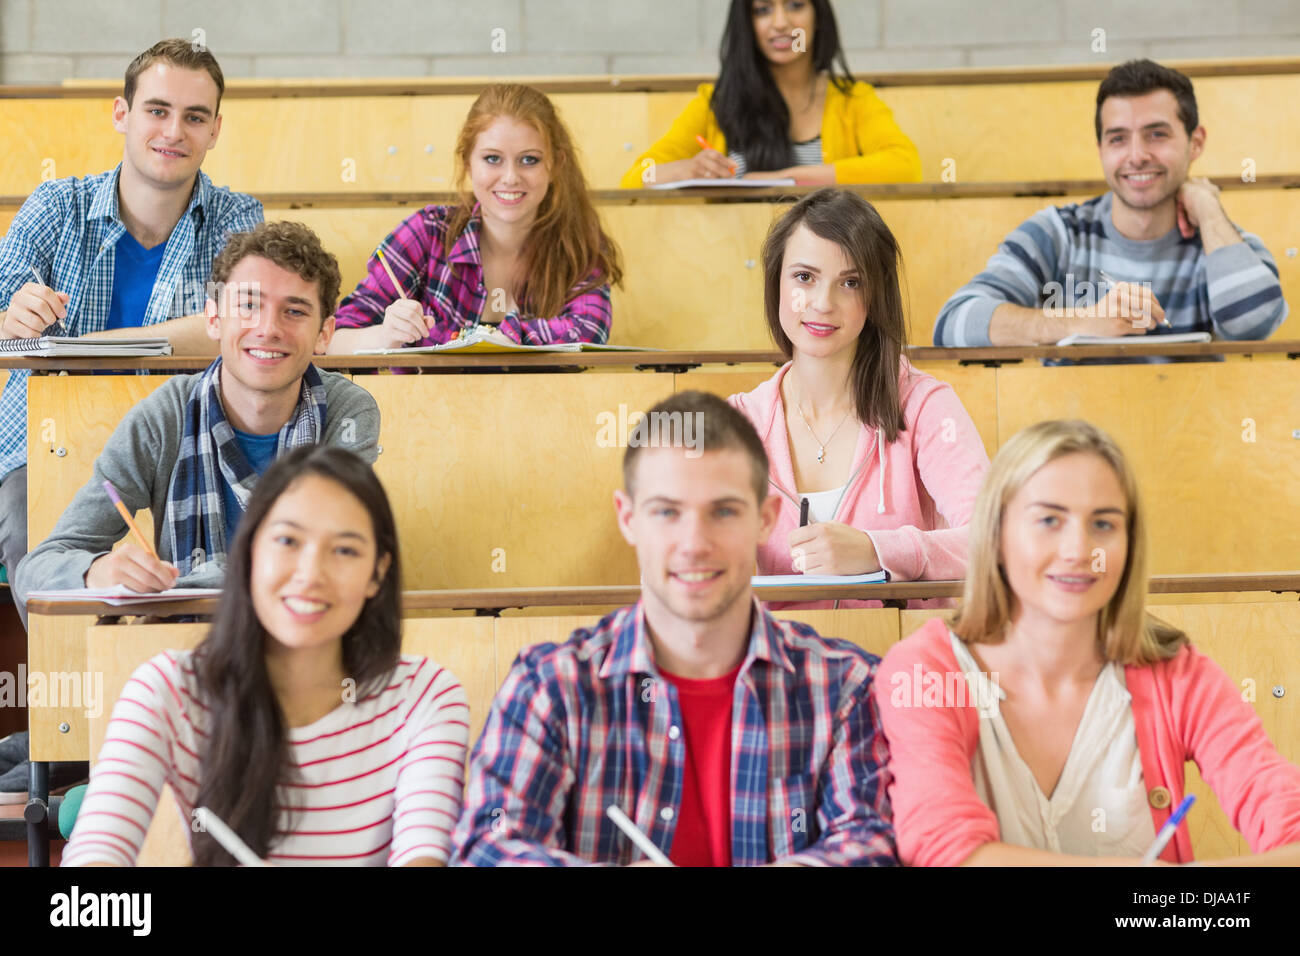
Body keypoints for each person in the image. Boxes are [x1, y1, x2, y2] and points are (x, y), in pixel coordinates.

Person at [452, 391, 896, 867]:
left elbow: (870, 843)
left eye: (723, 511)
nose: (694, 543)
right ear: (629, 519)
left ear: (765, 521)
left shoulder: (844, 687)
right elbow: (487, 847)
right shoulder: (549, 686)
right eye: (666, 512)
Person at [876, 419, 1300, 866]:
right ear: (997, 535)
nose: (1079, 550)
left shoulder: (1177, 674)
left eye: (1103, 523)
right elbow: (948, 853)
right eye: (1048, 520)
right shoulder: (925, 671)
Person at [61, 445, 468, 866]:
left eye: (345, 550)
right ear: (252, 553)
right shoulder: (168, 690)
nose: (311, 574)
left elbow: (423, 856)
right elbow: (93, 863)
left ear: (377, 572)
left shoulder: (426, 696)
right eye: (288, 541)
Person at [0, 39, 263, 586]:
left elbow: (238, 326)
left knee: (223, 564)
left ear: (215, 130)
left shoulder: (237, 215)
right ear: (122, 114)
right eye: (157, 110)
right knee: (35, 542)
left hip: (186, 440)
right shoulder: (56, 207)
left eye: (194, 117)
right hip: (51, 440)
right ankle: (68, 672)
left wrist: (104, 341)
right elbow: (3, 309)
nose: (173, 133)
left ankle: (183, 674)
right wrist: (12, 318)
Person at [14, 220, 379, 607]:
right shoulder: (163, 416)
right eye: (249, 305)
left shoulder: (347, 411)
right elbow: (35, 569)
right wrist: (98, 572)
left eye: (294, 311)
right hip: (183, 647)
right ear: (213, 318)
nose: (269, 329)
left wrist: (188, 583)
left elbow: (333, 558)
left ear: (324, 333)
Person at [728, 188, 988, 608]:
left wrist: (877, 550)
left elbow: (994, 538)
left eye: (850, 283)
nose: (822, 303)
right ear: (776, 281)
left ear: (875, 296)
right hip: (785, 666)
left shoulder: (925, 405)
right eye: (804, 277)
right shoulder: (738, 423)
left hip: (899, 661)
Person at [934, 59, 1286, 352]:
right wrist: (1080, 321)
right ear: (1101, 149)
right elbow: (953, 324)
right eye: (1118, 139)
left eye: (1157, 134)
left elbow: (1254, 324)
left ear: (1195, 143)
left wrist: (1207, 207)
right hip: (1071, 432)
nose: (1136, 156)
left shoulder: (1222, 241)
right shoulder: (1057, 233)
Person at [328, 84, 622, 352]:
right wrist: (383, 336)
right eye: (492, 159)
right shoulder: (427, 233)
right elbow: (332, 340)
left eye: (529, 159)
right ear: (467, 162)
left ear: (556, 164)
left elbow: (588, 332)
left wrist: (484, 337)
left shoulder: (578, 244)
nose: (510, 178)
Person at [620, 0, 919, 187]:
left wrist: (785, 179)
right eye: (763, 9)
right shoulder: (715, 102)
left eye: (795, 5)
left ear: (818, 15)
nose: (780, 22)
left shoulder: (853, 100)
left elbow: (905, 168)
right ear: (747, 24)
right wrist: (688, 169)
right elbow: (636, 179)